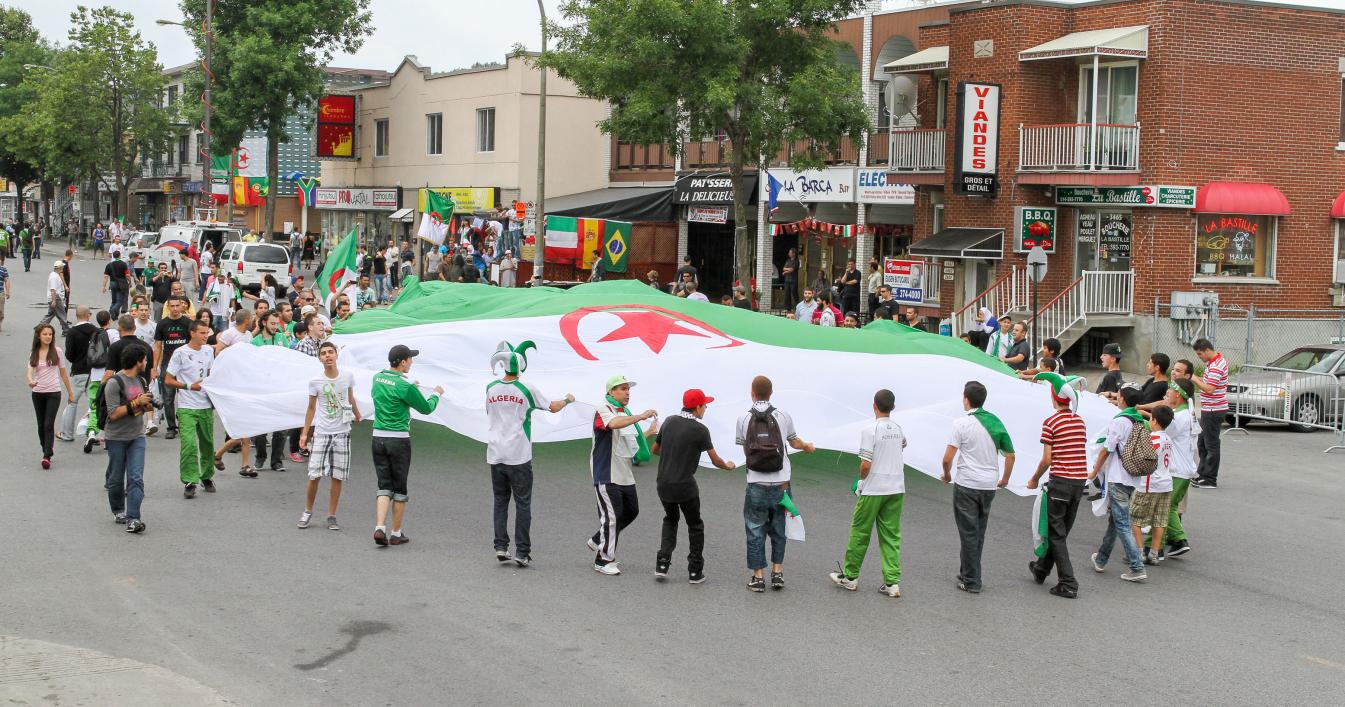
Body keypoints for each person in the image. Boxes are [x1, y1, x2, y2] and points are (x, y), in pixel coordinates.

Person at [485, 341, 574, 566]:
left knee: (500, 501)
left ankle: (500, 546)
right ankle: (522, 552)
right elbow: (552, 407)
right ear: (521, 367)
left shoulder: (490, 388)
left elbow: (489, 412)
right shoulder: (526, 389)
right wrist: (568, 400)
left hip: (496, 453)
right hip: (519, 455)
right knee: (523, 503)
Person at [735, 375, 815, 592]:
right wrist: (807, 446)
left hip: (756, 482)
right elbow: (794, 441)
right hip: (782, 483)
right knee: (779, 528)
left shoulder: (743, 418)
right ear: (771, 393)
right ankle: (777, 572)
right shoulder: (783, 415)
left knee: (754, 528)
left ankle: (758, 577)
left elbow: (745, 448)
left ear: (752, 392)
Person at [828, 389, 907, 598]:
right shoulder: (898, 428)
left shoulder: (870, 430)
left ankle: (851, 577)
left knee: (860, 531)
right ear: (893, 407)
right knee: (891, 535)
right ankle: (892, 583)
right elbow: (902, 445)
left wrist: (861, 481)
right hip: (897, 487)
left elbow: (865, 465)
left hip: (874, 488)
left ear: (874, 406)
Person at [651, 389, 735, 584]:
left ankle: (662, 564)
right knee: (695, 525)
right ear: (697, 407)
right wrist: (728, 466)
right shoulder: (700, 430)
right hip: (685, 487)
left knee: (670, 519)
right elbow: (715, 460)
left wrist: (673, 452)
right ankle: (695, 571)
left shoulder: (669, 421)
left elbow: (656, 450)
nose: (705, 408)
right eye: (704, 405)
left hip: (663, 484)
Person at [940, 381, 1015, 594]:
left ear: (966, 399)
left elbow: (947, 459)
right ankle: (967, 572)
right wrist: (1005, 479)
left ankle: (972, 580)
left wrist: (946, 475)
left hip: (967, 483)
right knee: (978, 531)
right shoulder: (995, 422)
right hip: (988, 484)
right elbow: (1010, 455)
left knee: (968, 532)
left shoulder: (961, 424)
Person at [370, 345, 443, 547]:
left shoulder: (377, 378)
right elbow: (426, 408)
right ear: (402, 362)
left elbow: (394, 394)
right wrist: (436, 394)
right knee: (399, 487)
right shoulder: (405, 385)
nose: (411, 361)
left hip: (378, 437)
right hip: (398, 439)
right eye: (410, 358)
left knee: (384, 484)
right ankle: (395, 532)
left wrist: (412, 388)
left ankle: (379, 527)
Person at [1026, 372, 1089, 598]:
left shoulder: (1051, 422)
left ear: (1054, 397)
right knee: (1060, 532)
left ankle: (1068, 582)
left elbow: (1047, 459)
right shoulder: (1079, 421)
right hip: (1079, 482)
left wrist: (1034, 478)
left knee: (1056, 533)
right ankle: (1041, 569)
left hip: (1060, 482)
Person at [588, 374, 658, 575]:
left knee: (631, 511)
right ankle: (603, 560)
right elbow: (614, 424)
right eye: (622, 388)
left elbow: (631, 442)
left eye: (628, 389)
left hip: (625, 474)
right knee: (612, 518)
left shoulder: (625, 413)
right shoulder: (603, 410)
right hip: (606, 473)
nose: (627, 392)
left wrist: (649, 432)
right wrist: (640, 416)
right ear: (611, 392)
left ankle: (598, 540)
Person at [297, 341, 361, 531]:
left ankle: (332, 515)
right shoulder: (315, 381)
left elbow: (350, 398)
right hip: (322, 433)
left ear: (336, 354)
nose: (328, 356)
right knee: (314, 474)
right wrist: (304, 433)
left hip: (342, 432)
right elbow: (311, 408)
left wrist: (357, 414)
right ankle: (307, 511)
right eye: (324, 353)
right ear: (319, 358)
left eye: (330, 352)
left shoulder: (347, 376)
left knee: (337, 476)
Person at [1088, 387, 1149, 583]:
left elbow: (1108, 448)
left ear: (1122, 399)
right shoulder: (1140, 420)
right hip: (1134, 477)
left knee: (1122, 523)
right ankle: (1101, 558)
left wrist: (1095, 470)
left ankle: (1137, 566)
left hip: (1119, 476)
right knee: (1116, 521)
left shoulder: (1120, 420)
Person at [102, 345, 152, 534]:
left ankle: (134, 518)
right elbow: (113, 414)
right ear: (138, 361)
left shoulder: (140, 380)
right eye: (145, 360)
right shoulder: (114, 382)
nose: (146, 363)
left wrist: (146, 404)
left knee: (136, 478)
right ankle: (118, 510)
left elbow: (142, 408)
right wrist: (135, 403)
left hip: (137, 436)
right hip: (116, 437)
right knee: (116, 478)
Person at [165, 320, 217, 498]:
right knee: (189, 444)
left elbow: (211, 374)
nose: (205, 336)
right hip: (187, 406)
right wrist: (189, 386)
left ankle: (207, 476)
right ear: (192, 333)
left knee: (207, 444)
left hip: (205, 406)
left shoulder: (209, 350)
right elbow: (168, 380)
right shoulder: (180, 353)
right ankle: (189, 480)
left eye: (206, 333)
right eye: (202, 333)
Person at [1149, 378, 1196, 558]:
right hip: (1183, 469)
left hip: (1177, 470)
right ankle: (1174, 541)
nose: (1166, 394)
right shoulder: (1184, 414)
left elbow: (1158, 428)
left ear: (1178, 394)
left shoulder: (1180, 417)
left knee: (1163, 508)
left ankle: (1170, 542)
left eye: (1169, 391)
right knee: (1170, 507)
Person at [1132, 404, 1176, 566]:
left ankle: (1139, 551)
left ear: (1155, 420)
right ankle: (1154, 553)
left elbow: (1144, 457)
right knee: (1160, 520)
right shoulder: (1168, 439)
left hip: (1150, 483)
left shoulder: (1153, 439)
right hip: (1166, 483)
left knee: (1135, 518)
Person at [28, 323, 76, 469]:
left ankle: (46, 455)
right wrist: (31, 381)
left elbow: (63, 373)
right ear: (39, 336)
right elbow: (30, 370)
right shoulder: (34, 352)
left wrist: (70, 392)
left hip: (54, 392)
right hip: (38, 393)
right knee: (41, 425)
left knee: (49, 424)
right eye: (45, 334)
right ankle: (46, 447)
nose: (48, 337)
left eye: (50, 334)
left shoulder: (57, 351)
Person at [250, 311, 292, 472]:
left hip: (280, 389)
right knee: (260, 428)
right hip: (262, 390)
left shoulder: (282, 339)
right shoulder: (255, 342)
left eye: (277, 324)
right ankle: (260, 458)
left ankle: (276, 461)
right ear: (264, 323)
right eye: (272, 324)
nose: (275, 327)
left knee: (281, 429)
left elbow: (289, 359)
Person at [154, 296, 193, 441]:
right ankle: (171, 427)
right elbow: (158, 346)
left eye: (178, 305)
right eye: (173, 306)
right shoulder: (162, 324)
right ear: (168, 307)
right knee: (168, 398)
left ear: (182, 306)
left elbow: (193, 343)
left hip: (185, 366)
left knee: (185, 396)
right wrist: (154, 367)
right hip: (168, 365)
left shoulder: (188, 323)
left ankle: (184, 423)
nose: (175, 308)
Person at [1190, 338, 1228, 489]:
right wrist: (1197, 378)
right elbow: (1208, 381)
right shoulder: (1213, 364)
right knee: (1202, 442)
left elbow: (1209, 388)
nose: (1199, 357)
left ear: (1207, 350)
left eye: (1200, 354)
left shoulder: (1217, 365)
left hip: (1214, 409)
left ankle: (1210, 478)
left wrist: (1193, 378)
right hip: (1209, 409)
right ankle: (1203, 474)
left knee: (1211, 444)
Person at [59, 307, 98, 442]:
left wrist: (76, 360)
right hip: (94, 371)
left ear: (76, 316)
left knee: (72, 402)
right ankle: (93, 432)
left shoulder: (72, 332)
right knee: (94, 402)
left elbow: (69, 354)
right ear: (88, 315)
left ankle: (67, 434)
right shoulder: (95, 330)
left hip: (78, 371)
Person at [203, 263, 238, 332]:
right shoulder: (212, 285)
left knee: (224, 333)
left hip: (224, 315)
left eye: (222, 276)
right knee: (211, 333)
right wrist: (213, 297)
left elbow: (232, 300)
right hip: (213, 314)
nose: (220, 278)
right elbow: (207, 298)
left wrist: (233, 313)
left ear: (225, 277)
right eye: (218, 276)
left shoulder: (229, 286)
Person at [40, 261, 71, 335]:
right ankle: (66, 330)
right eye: (62, 267)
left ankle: (40, 327)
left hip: (55, 297)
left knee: (50, 314)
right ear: (59, 268)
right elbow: (53, 289)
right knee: (62, 314)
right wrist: (54, 301)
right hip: (56, 298)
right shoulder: (54, 277)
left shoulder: (55, 275)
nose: (63, 268)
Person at [102, 253, 133, 318]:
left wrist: (103, 286)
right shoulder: (123, 264)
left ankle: (115, 316)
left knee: (114, 300)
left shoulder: (109, 265)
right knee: (120, 301)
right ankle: (113, 310)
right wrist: (130, 282)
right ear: (120, 256)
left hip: (112, 283)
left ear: (113, 256)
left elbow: (105, 276)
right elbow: (127, 275)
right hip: (121, 284)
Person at [0, 252, 9, 331]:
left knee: (1, 311)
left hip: (1, 293)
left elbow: (6, 280)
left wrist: (8, 291)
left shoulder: (3, 269)